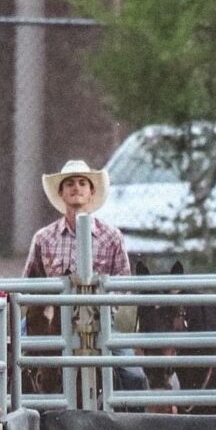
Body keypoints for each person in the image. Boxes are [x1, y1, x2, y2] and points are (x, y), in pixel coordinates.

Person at [23, 159, 145, 392]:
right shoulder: (44, 237)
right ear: (61, 193)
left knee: (133, 376)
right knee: (11, 356)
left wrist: (103, 304)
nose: (76, 187)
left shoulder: (111, 236)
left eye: (82, 183)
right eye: (69, 183)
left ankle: (131, 423)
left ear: (91, 193)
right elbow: (29, 282)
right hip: (50, 319)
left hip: (100, 320)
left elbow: (123, 283)